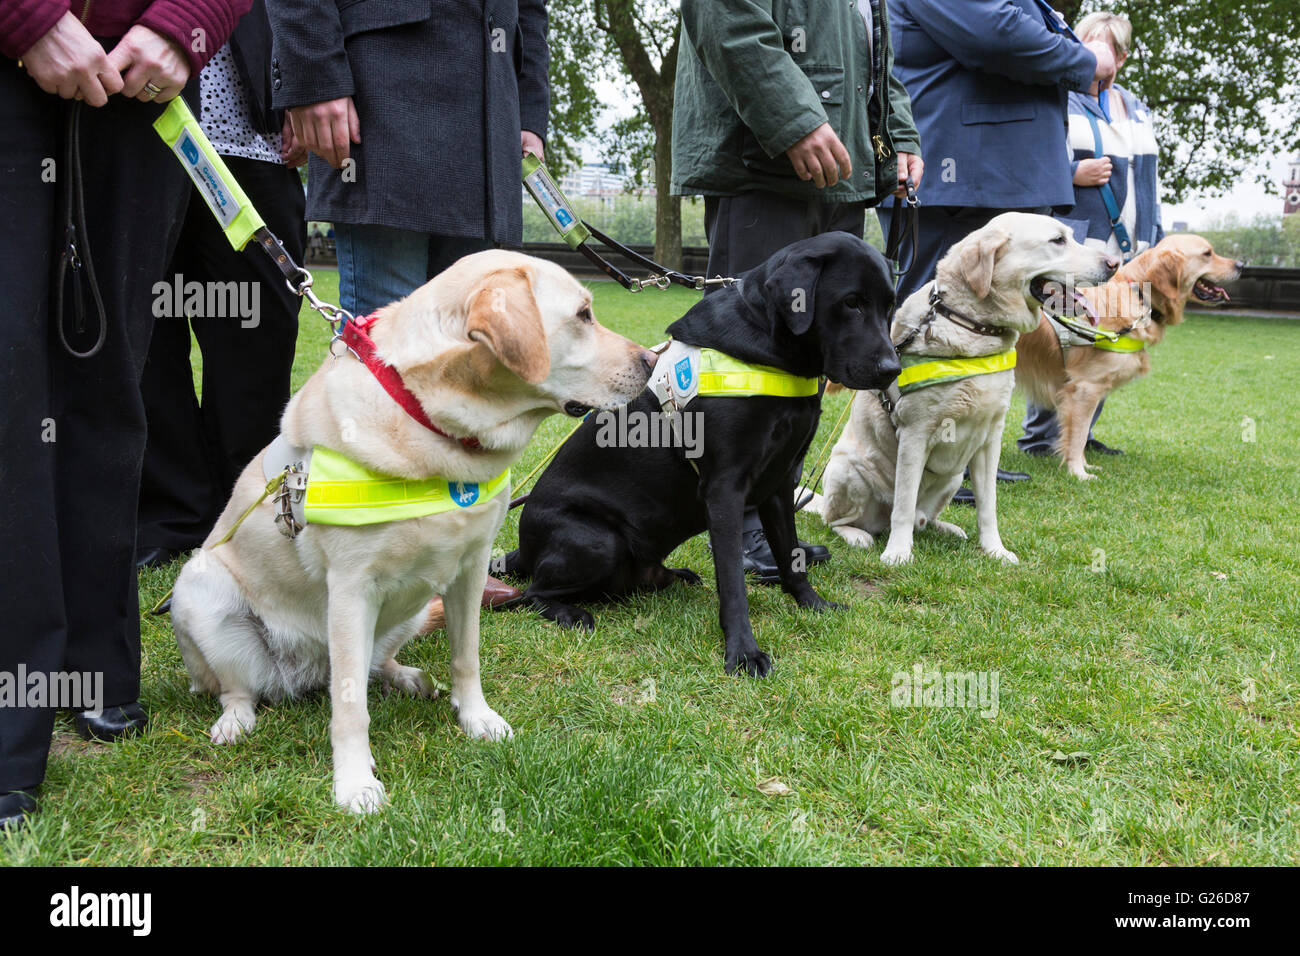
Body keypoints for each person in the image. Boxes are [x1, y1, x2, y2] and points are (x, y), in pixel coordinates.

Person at [0, 0, 251, 831]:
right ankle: (15, 706)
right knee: (12, 387)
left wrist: (190, 22)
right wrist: (26, 16)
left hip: (144, 80)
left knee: (111, 374)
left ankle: (100, 663)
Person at [265, 0, 549, 607]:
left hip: (490, 113)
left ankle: (449, 557)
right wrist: (314, 77)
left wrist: (529, 111)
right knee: (384, 363)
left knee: (476, 363)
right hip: (381, 93)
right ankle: (372, 556)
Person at [672, 0, 923, 581]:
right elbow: (727, 16)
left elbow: (874, 55)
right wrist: (793, 120)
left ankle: (772, 519)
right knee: (749, 355)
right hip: (765, 159)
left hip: (844, 165)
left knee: (815, 352)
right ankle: (744, 526)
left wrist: (898, 135)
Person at [885, 0, 1120, 497]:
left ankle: (960, 461)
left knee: (990, 330)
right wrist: (1086, 61)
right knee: (933, 324)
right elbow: (993, 34)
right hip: (963, 173)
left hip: (991, 174)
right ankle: (909, 463)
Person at [135, 0, 309, 569]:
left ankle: (252, 508)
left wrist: (305, 86)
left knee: (258, 337)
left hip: (253, 141)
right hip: (135, 131)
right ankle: (170, 513)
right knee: (147, 340)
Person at [1018, 10, 1163, 458]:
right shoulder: (1059, 97)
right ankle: (1040, 437)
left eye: (1115, 48)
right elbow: (1033, 165)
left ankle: (1080, 430)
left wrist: (1152, 239)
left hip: (1131, 244)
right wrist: (1073, 174)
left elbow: (1150, 177)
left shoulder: (1135, 106)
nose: (1108, 56)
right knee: (1062, 339)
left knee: (1106, 339)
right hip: (1079, 241)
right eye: (1096, 45)